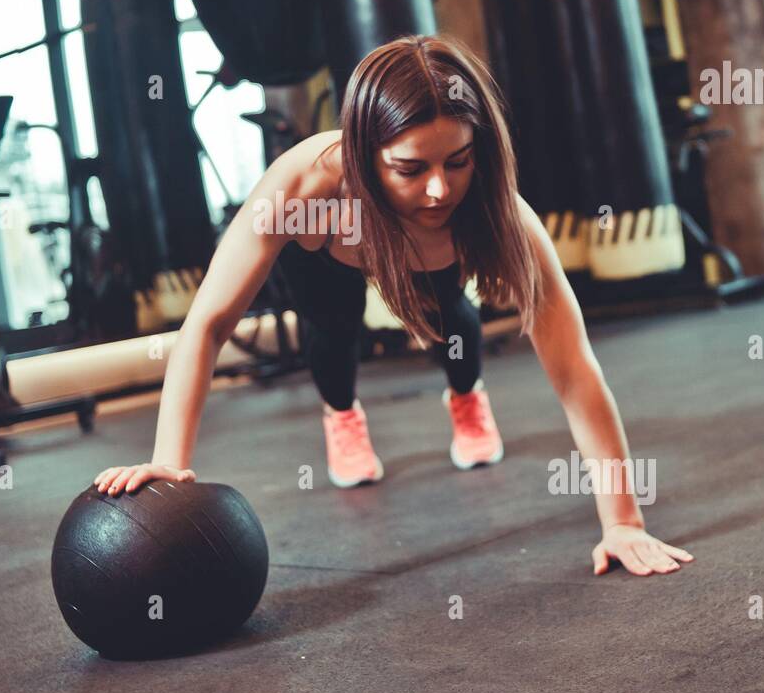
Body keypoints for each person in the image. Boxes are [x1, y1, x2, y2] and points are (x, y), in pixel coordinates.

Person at [94, 35, 693, 577]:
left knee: (452, 324)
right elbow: (209, 323)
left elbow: (574, 370)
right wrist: (167, 465)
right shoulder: (304, 189)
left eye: (456, 161)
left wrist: (623, 521)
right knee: (332, 337)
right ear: (362, 153)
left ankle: (466, 396)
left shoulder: (493, 212)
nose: (438, 188)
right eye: (410, 168)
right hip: (329, 250)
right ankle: (343, 417)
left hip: (433, 264)